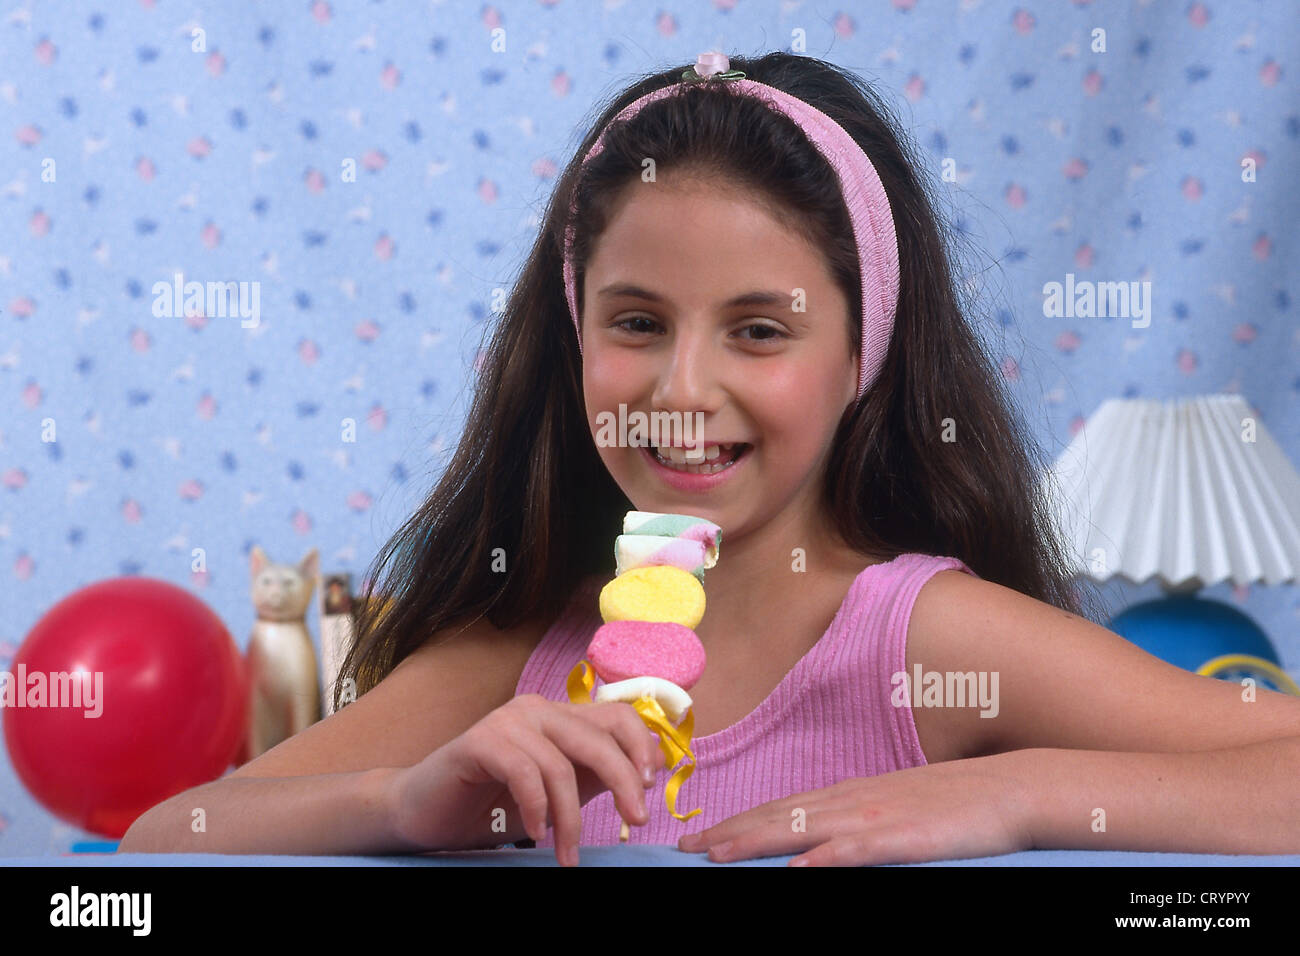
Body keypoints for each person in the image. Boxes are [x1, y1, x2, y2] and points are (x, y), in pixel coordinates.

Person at [119, 51, 1300, 866]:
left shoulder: (925, 642)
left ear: (859, 358)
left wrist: (1020, 793)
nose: (681, 391)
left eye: (760, 329)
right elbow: (170, 838)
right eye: (635, 322)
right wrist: (402, 802)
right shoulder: (522, 657)